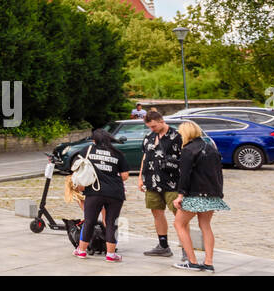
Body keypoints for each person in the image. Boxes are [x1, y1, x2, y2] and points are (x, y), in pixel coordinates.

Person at [173, 121, 228, 272]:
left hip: (194, 194)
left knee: (179, 224)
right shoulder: (211, 148)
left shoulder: (188, 150)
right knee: (205, 226)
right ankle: (209, 263)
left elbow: (184, 175)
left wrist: (180, 195)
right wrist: (219, 193)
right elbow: (219, 173)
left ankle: (192, 261)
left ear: (185, 133)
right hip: (212, 193)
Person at [74, 128, 129, 262]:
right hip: (115, 192)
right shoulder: (118, 153)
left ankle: (81, 251)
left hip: (94, 191)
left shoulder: (87, 150)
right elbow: (125, 175)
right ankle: (111, 254)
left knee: (89, 221)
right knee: (111, 223)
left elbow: (78, 166)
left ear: (94, 140)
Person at [139, 110, 182, 257]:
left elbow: (185, 159)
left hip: (172, 182)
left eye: (154, 126)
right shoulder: (149, 137)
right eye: (150, 127)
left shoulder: (177, 136)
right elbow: (145, 157)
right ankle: (163, 245)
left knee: (180, 215)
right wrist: (140, 178)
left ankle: (185, 248)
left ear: (162, 121)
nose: (152, 129)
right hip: (151, 181)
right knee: (156, 212)